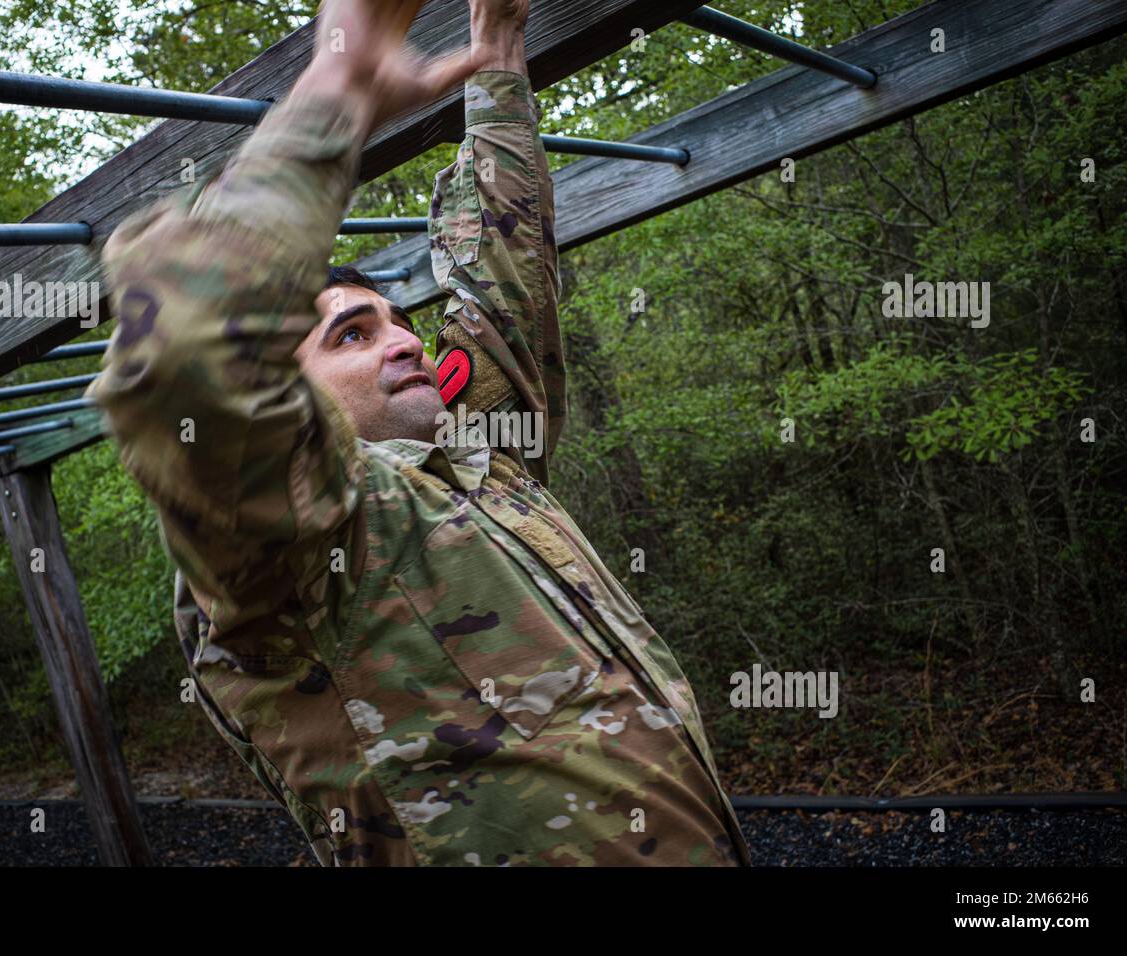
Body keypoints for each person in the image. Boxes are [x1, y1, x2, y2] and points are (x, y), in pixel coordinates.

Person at [88, 0, 750, 867]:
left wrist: (497, 57)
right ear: (283, 390)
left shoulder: (478, 469)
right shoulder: (310, 543)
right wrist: (337, 94)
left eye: (402, 323)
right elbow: (184, 355)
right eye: (351, 335)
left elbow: (509, 288)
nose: (406, 340)